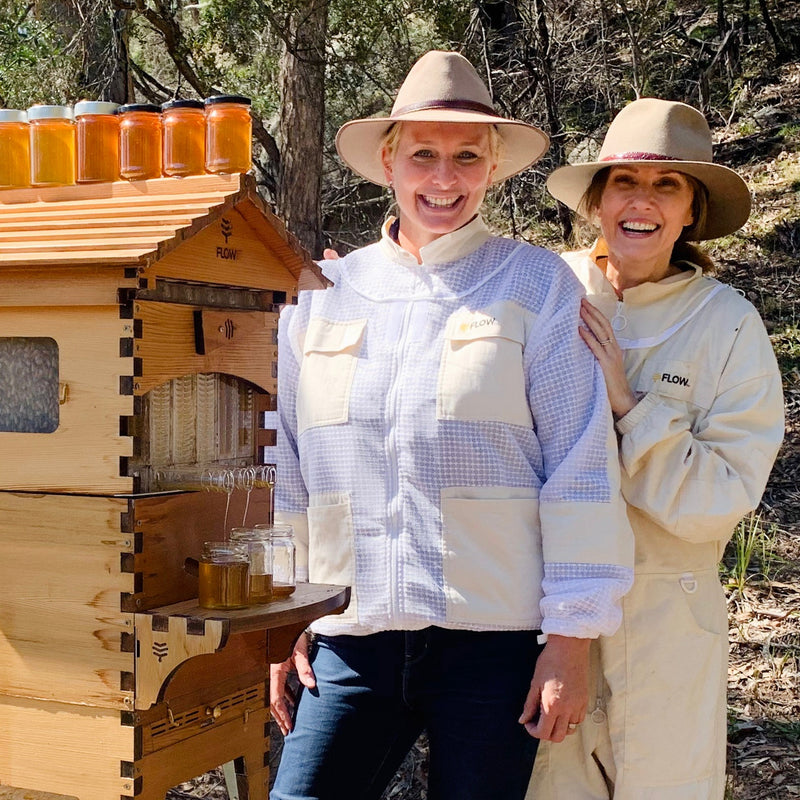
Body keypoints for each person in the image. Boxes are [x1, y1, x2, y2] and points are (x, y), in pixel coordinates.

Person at [269, 50, 634, 800]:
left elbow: (581, 465)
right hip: (352, 632)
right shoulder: (324, 292)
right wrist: (285, 612)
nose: (444, 178)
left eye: (467, 157)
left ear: (493, 166)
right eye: (424, 155)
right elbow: (291, 465)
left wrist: (570, 640)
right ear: (388, 159)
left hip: (493, 641)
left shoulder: (536, 284)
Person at [527, 98, 785, 799]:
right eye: (625, 182)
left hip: (669, 620)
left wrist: (629, 406)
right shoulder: (545, 289)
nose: (642, 202)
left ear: (691, 210)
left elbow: (721, 499)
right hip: (542, 615)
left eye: (667, 184)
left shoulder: (727, 324)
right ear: (596, 200)